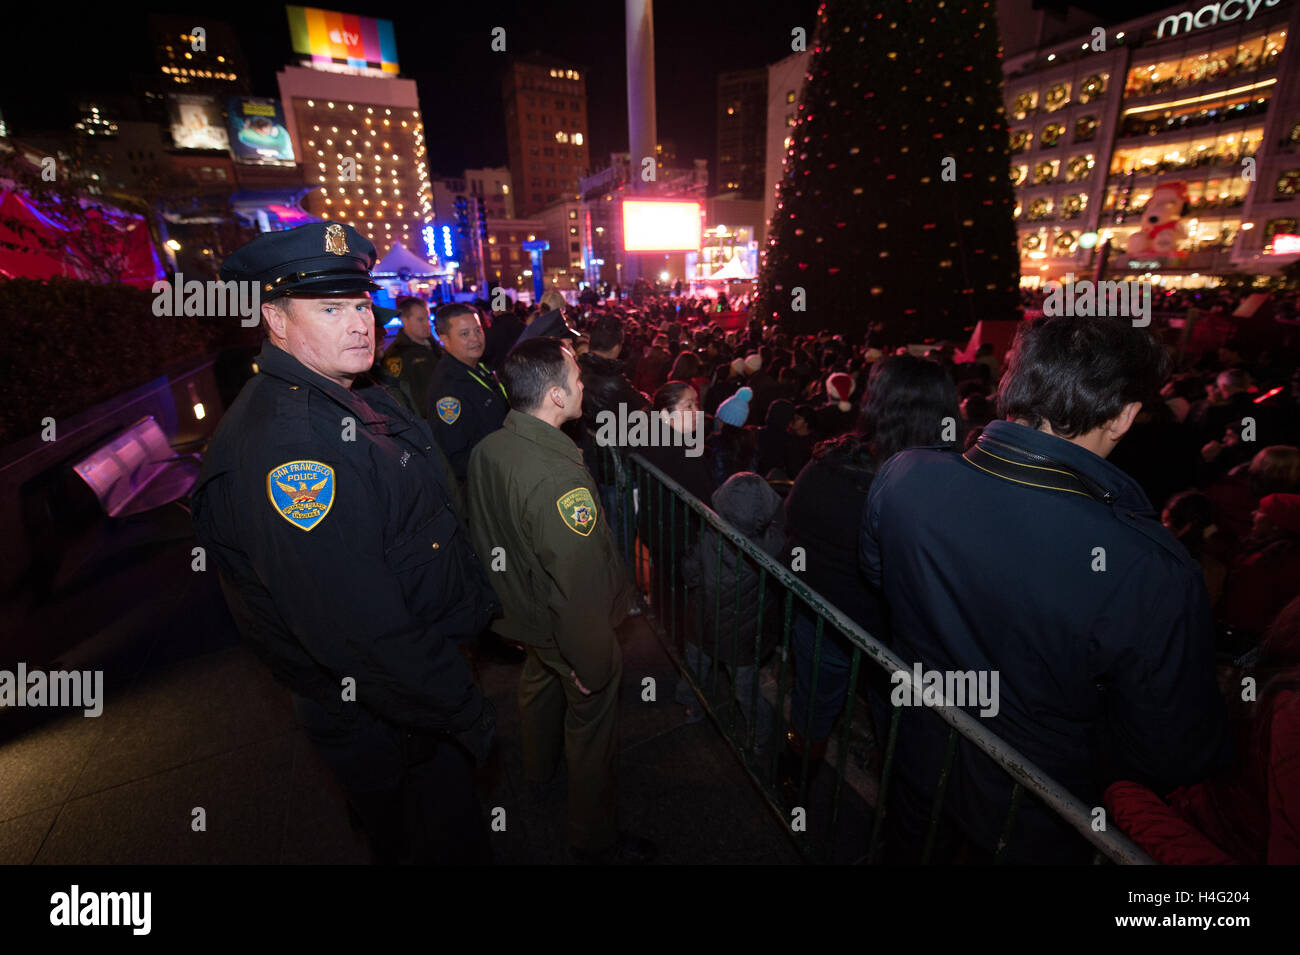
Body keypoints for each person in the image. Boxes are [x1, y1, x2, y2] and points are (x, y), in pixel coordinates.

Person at [859, 314, 1233, 864]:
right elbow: (1173, 748)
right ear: (1126, 416)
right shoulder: (1150, 568)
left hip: (920, 753)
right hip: (1038, 809)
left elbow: (882, 581)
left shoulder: (905, 477)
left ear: (1015, 386)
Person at [191, 221, 499, 864]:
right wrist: (459, 703)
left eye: (360, 304)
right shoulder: (295, 446)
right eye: (331, 309)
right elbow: (353, 621)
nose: (360, 322)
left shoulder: (345, 393)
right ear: (276, 321)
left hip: (407, 693)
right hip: (389, 710)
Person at [466, 337, 654, 864]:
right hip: (561, 626)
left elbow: (486, 534)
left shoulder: (491, 447)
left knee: (538, 686)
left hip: (524, 616)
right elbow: (577, 588)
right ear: (552, 396)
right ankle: (593, 838)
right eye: (575, 378)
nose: (582, 385)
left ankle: (536, 769)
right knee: (592, 729)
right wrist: (592, 662)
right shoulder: (556, 479)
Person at [782, 356, 960, 786]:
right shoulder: (942, 489)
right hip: (890, 639)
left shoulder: (828, 464)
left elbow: (793, 537)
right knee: (895, 726)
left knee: (813, 708)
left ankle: (795, 788)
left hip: (824, 616)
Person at [426, 303, 509, 486]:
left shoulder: (479, 368)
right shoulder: (449, 388)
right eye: (465, 334)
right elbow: (456, 457)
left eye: (478, 330)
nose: (475, 339)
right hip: (485, 483)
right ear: (444, 339)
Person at [381, 296, 442, 418]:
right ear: (405, 320)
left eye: (428, 318)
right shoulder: (397, 356)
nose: (427, 324)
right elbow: (400, 399)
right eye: (420, 320)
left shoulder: (435, 346)